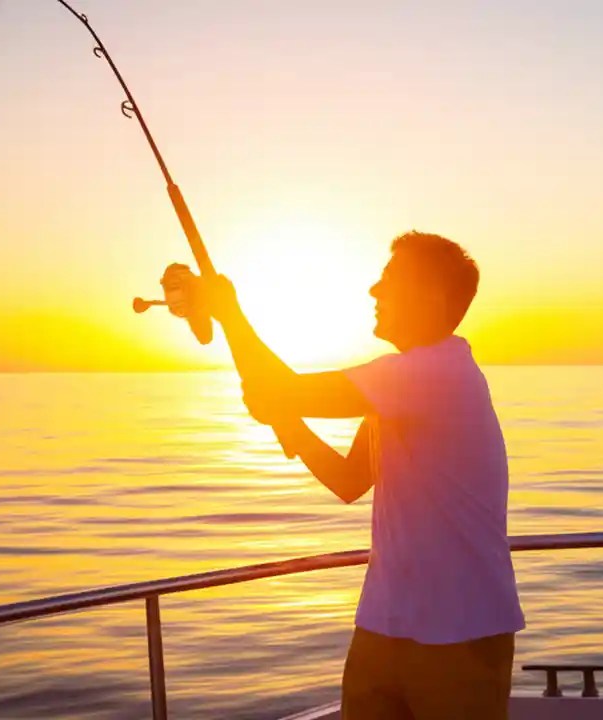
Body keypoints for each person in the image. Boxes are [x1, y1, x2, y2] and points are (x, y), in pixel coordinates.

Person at [189, 230, 524, 720]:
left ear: (429, 296)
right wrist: (287, 421)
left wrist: (230, 314)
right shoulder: (403, 387)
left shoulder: (434, 373)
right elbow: (348, 481)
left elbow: (279, 389)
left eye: (388, 279)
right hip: (385, 623)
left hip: (460, 632)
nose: (374, 291)